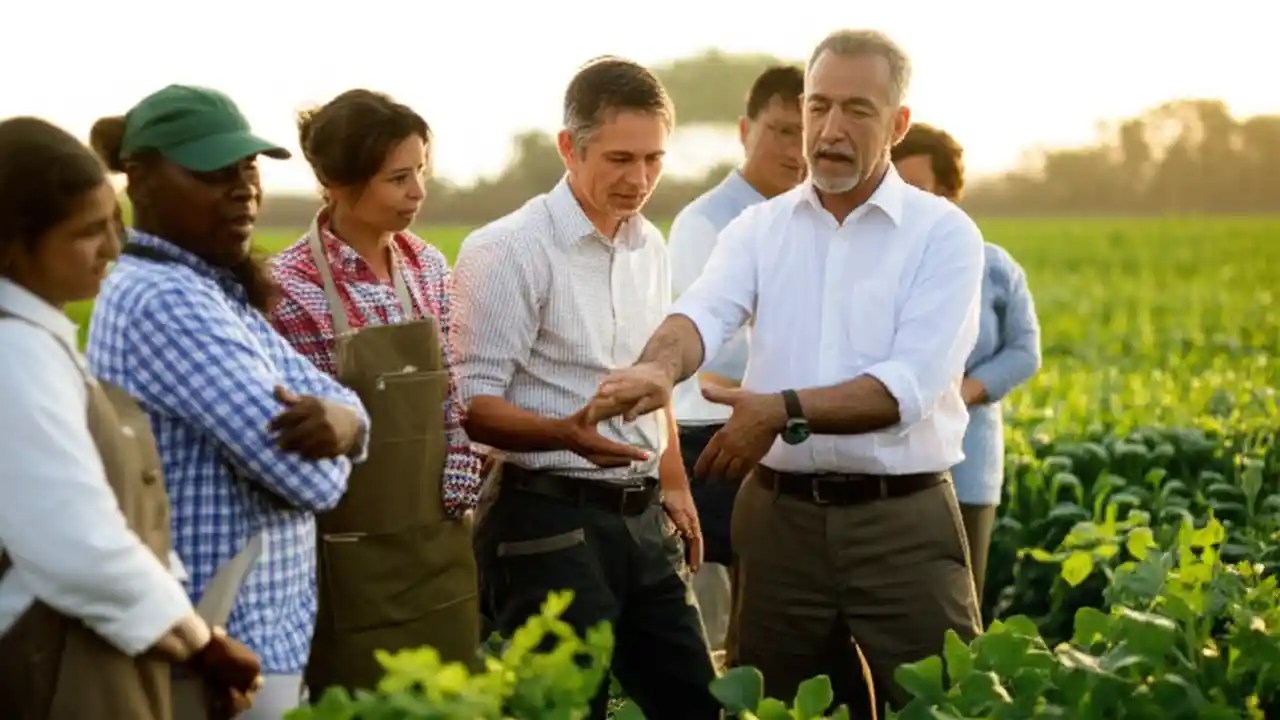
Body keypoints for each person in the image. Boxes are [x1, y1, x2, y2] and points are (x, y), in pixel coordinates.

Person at [594, 29, 986, 714]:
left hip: (901, 521)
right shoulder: (758, 229)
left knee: (946, 704)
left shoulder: (942, 235)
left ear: (898, 124)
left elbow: (909, 387)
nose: (830, 130)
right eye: (817, 107)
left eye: (857, 111)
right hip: (778, 518)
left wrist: (778, 410)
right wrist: (659, 369)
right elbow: (701, 315)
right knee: (775, 703)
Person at [84, 85, 372, 719]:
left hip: (251, 636)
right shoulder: (168, 301)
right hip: (221, 646)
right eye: (213, 173)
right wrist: (346, 430)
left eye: (247, 169)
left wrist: (347, 423)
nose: (243, 189)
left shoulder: (210, 291)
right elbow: (308, 478)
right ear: (142, 179)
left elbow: (344, 405)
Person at [451, 56, 721, 720]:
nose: (639, 179)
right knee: (566, 712)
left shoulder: (648, 245)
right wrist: (564, 434)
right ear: (569, 147)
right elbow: (472, 404)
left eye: (654, 159)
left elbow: (650, 385)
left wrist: (675, 479)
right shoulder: (508, 249)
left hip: (640, 518)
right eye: (620, 158)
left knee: (697, 701)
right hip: (545, 524)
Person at [0, 116, 262, 719]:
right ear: (14, 242)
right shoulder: (17, 355)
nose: (113, 250)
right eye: (87, 232)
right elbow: (79, 545)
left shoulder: (43, 340)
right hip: (53, 662)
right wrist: (201, 642)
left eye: (113, 224)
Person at [268, 89, 484, 697]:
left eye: (420, 172)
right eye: (398, 178)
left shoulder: (428, 268)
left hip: (438, 545)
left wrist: (459, 482)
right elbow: (300, 433)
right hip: (348, 556)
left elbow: (455, 389)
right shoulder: (293, 287)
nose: (418, 192)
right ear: (337, 181)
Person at [668, 64, 806, 654]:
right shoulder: (707, 221)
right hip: (714, 439)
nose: (796, 149)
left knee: (779, 620)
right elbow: (715, 358)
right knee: (718, 627)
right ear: (744, 130)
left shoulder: (815, 218)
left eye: (807, 131)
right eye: (780, 130)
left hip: (787, 434)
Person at [891, 123, 1041, 607]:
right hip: (892, 462)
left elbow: (1024, 351)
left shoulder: (993, 266)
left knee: (959, 599)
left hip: (970, 457)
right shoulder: (881, 269)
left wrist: (966, 390)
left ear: (949, 195)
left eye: (918, 190)